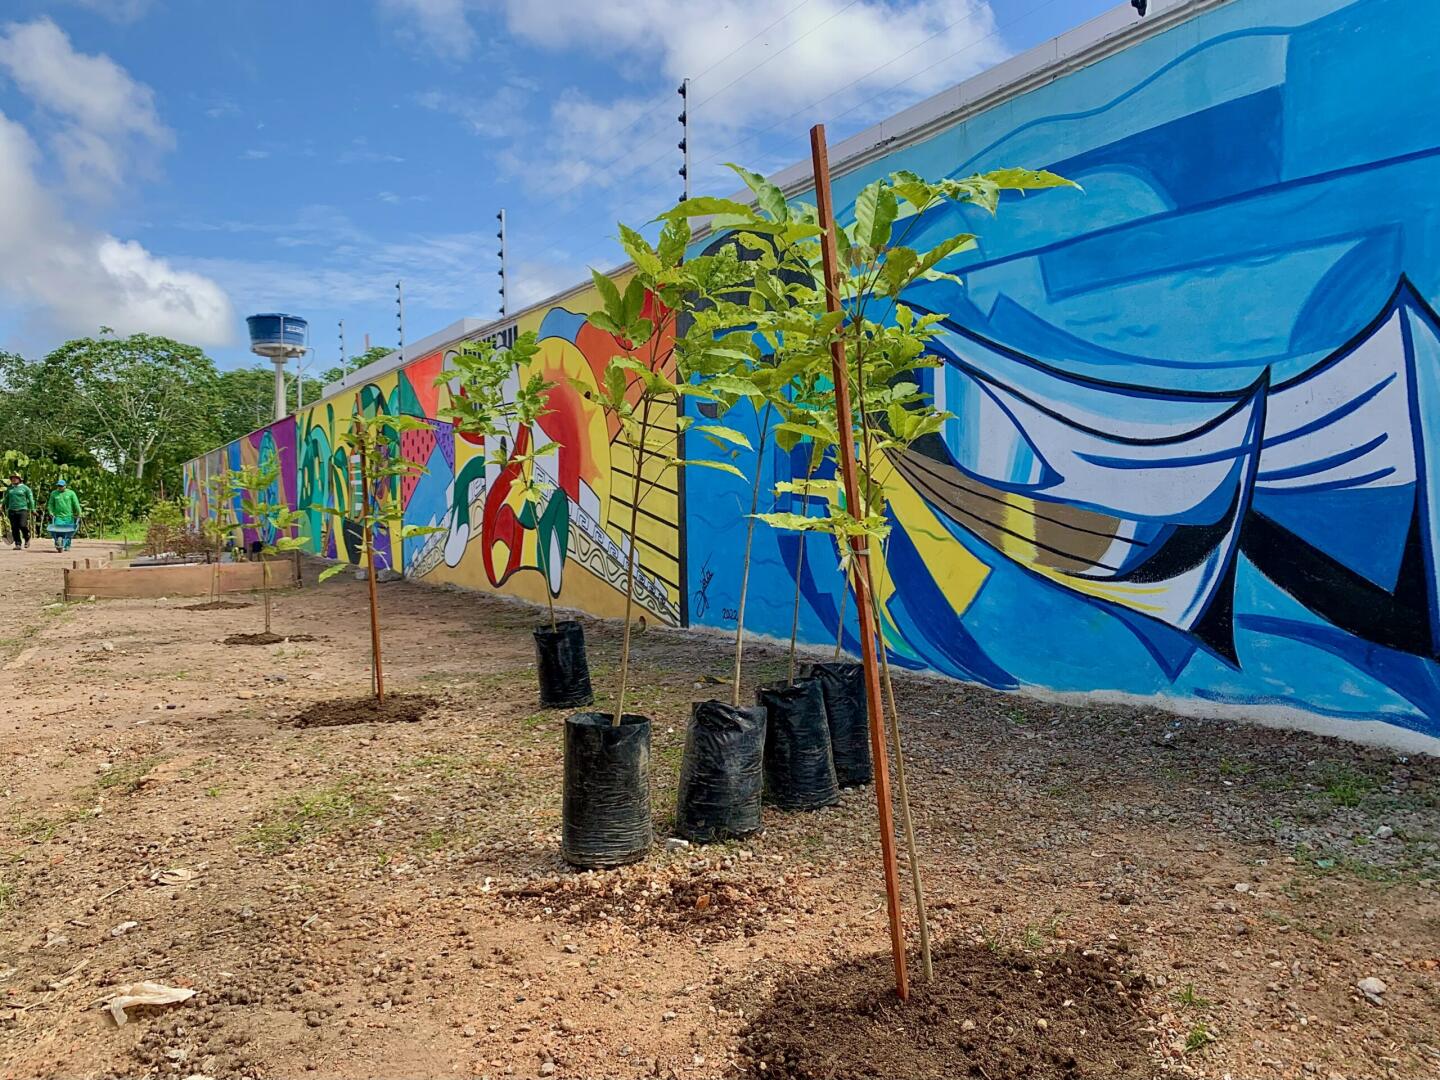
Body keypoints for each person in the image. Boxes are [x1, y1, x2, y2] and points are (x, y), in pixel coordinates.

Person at [46, 478, 81, 553]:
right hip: (58, 516)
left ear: (65, 486)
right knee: (58, 531)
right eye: (59, 486)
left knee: (68, 532)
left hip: (69, 516)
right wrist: (50, 512)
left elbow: (76, 503)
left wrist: (79, 513)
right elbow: (50, 504)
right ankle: (58, 543)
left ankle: (67, 545)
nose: (60, 487)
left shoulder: (71, 493)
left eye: (61, 486)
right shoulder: (54, 493)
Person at [5, 473, 35, 550]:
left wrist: (33, 509)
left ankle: (27, 537)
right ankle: (18, 544)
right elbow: (6, 499)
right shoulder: (10, 489)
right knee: (14, 528)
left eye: (15, 478)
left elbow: (31, 499)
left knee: (22, 525)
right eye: (12, 478)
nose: (14, 479)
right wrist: (2, 506)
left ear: (19, 479)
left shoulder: (25, 488)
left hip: (22, 509)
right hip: (11, 510)